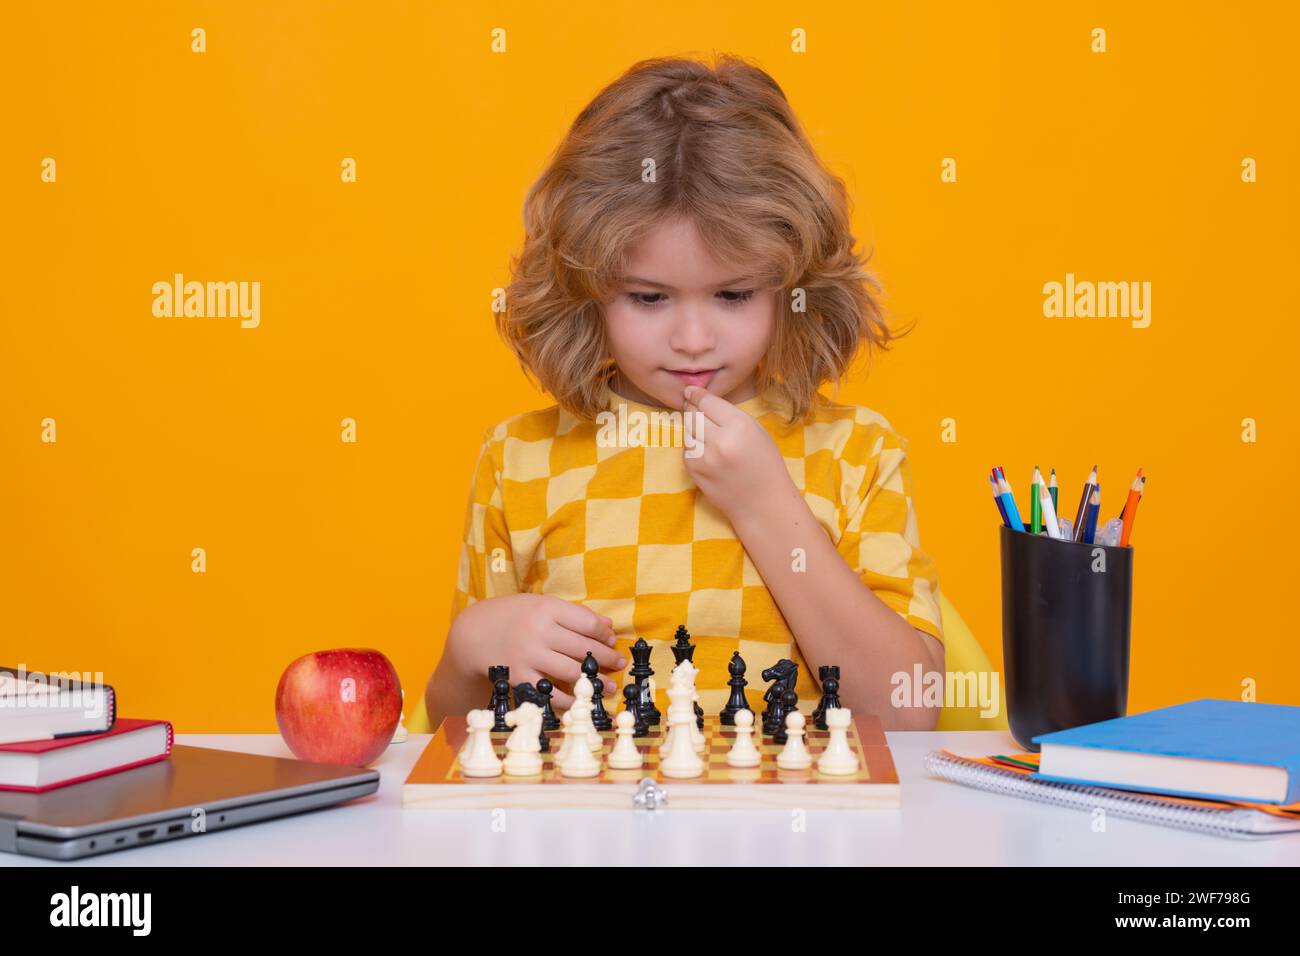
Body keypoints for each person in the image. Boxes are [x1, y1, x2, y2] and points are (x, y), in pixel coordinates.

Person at [415, 54, 944, 735]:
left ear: (792, 283)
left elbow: (907, 715)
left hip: (798, 836)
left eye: (732, 294)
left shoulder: (856, 452)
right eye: (648, 297)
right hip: (586, 833)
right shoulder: (517, 460)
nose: (693, 337)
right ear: (587, 290)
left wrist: (764, 504)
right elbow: (454, 736)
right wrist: (467, 657)